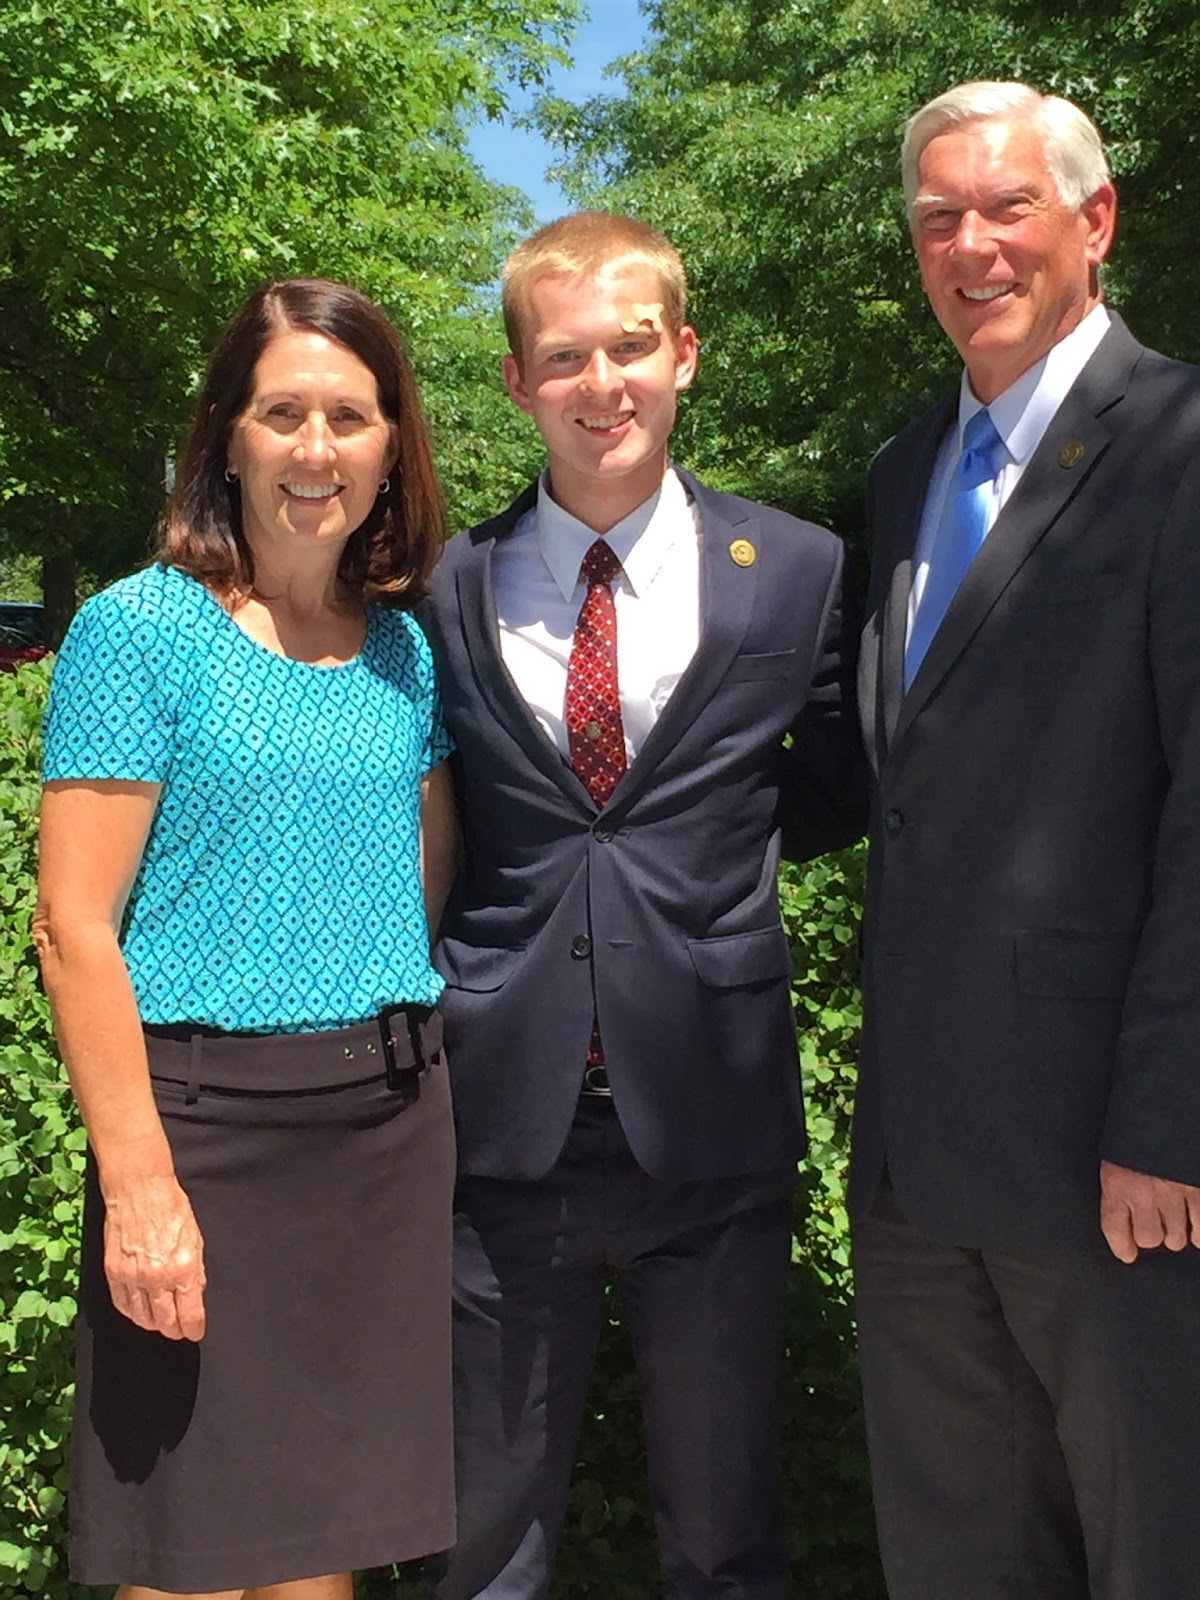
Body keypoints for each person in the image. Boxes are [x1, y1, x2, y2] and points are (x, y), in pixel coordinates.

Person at [420, 210, 864, 1600]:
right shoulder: (437, 586)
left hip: (713, 1119)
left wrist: (700, 880)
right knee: (485, 1544)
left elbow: (837, 783)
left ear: (683, 355)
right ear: (516, 382)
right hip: (502, 1131)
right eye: (564, 357)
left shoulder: (795, 569)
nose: (600, 382)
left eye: (629, 347)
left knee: (725, 1540)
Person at [34, 277, 459, 1600]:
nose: (317, 449)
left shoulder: (404, 650)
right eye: (284, 413)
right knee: (191, 1554)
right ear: (226, 434)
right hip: (205, 1139)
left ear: (394, 444)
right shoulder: (137, 634)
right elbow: (72, 929)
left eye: (350, 415)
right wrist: (141, 1184)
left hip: (381, 1138)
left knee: (317, 1552)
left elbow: (418, 873)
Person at [853, 80, 1200, 1600]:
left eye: (1008, 209)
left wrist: (1170, 1124)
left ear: (1095, 221)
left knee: (1152, 1545)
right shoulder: (901, 472)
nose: (972, 246)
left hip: (1109, 1168)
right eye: (940, 220)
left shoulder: (1184, 446)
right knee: (958, 1555)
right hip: (921, 1161)